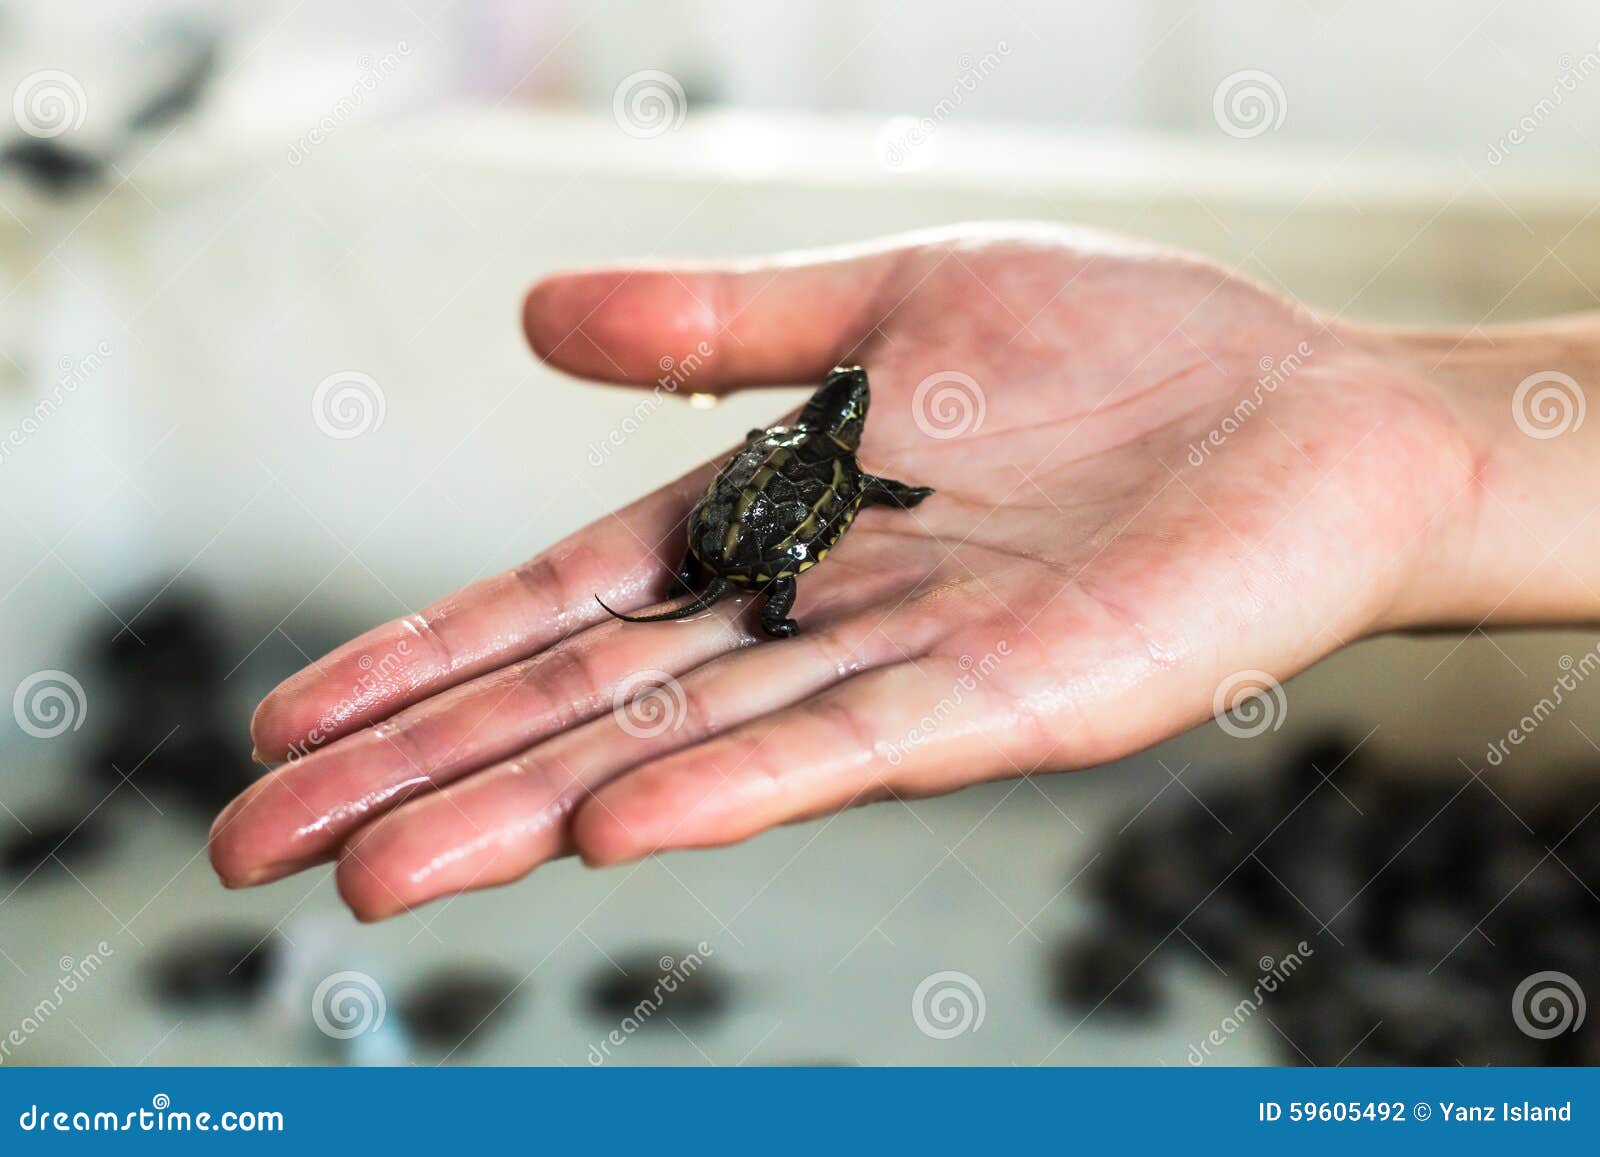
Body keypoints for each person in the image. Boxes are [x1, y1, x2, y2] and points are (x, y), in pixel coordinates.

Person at [207, 221, 1594, 920]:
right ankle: (755, 596)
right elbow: (845, 475)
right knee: (767, 572)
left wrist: (1412, 444)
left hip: (740, 536)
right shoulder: (829, 457)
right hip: (753, 543)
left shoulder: (803, 454)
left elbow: (829, 472)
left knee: (758, 568)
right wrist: (1423, 431)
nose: (848, 421)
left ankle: (751, 595)